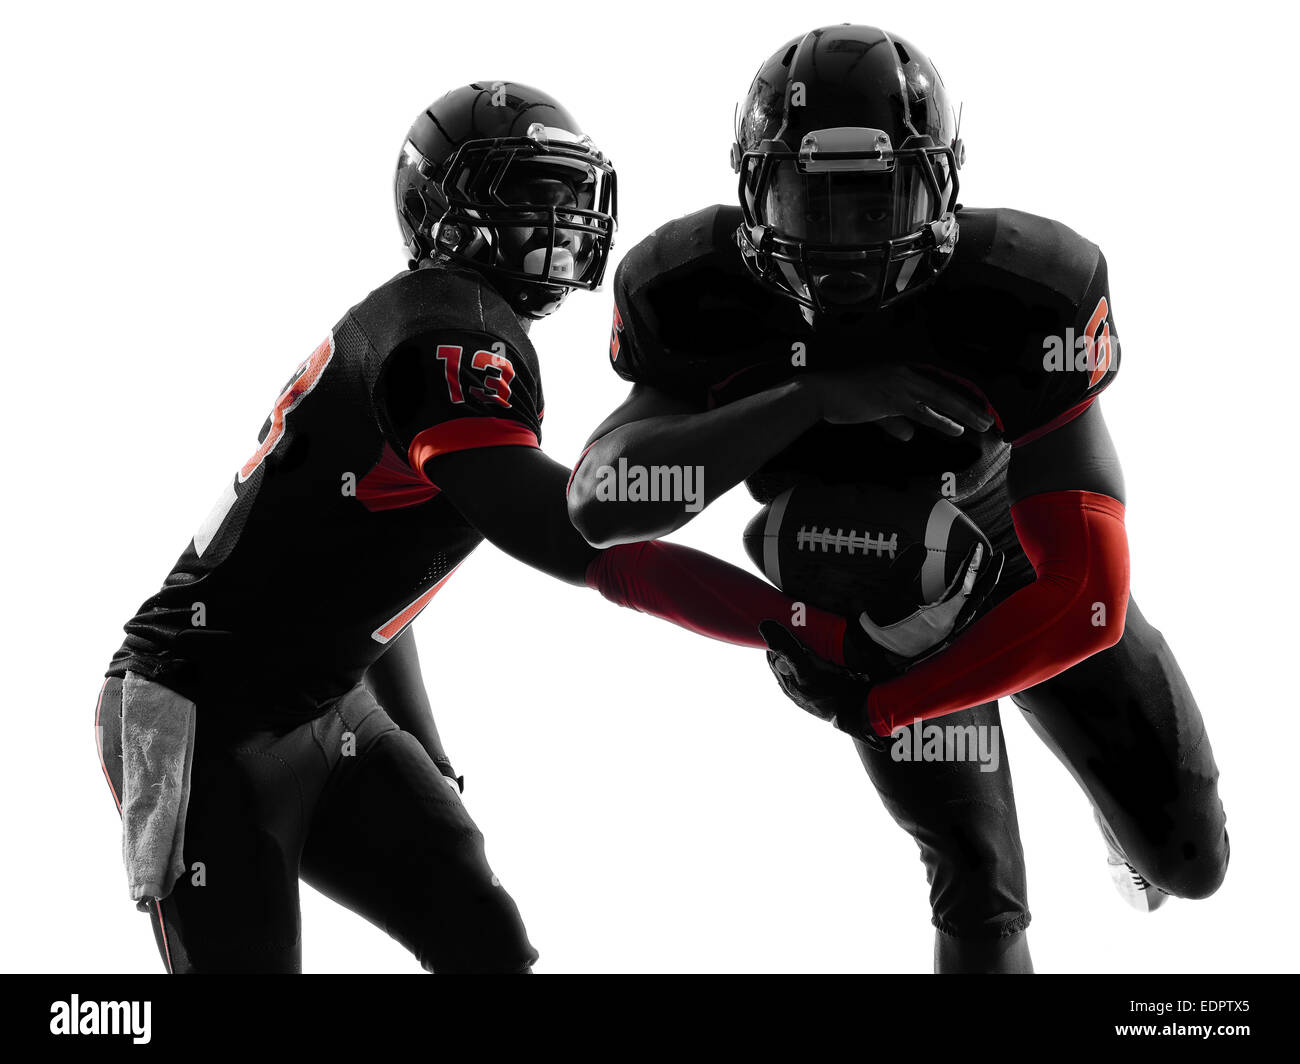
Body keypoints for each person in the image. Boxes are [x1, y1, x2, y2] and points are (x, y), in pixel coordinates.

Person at [97, 80, 969, 973]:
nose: (557, 221)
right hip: (199, 714)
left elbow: (362, 574)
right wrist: (797, 619)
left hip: (326, 709)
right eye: (526, 193)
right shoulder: (443, 336)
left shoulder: (445, 320)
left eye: (566, 194)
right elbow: (583, 542)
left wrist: (420, 740)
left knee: (488, 947)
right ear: (444, 210)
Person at [567, 26, 1229, 973]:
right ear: (755, 191)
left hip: (1018, 562)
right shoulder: (695, 290)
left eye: (876, 197)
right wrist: (808, 398)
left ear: (941, 187)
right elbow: (605, 501)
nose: (845, 238)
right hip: (869, 589)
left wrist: (887, 703)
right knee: (979, 898)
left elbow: (1085, 598)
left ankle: (1118, 819)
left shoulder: (1029, 292)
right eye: (813, 197)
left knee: (1193, 860)